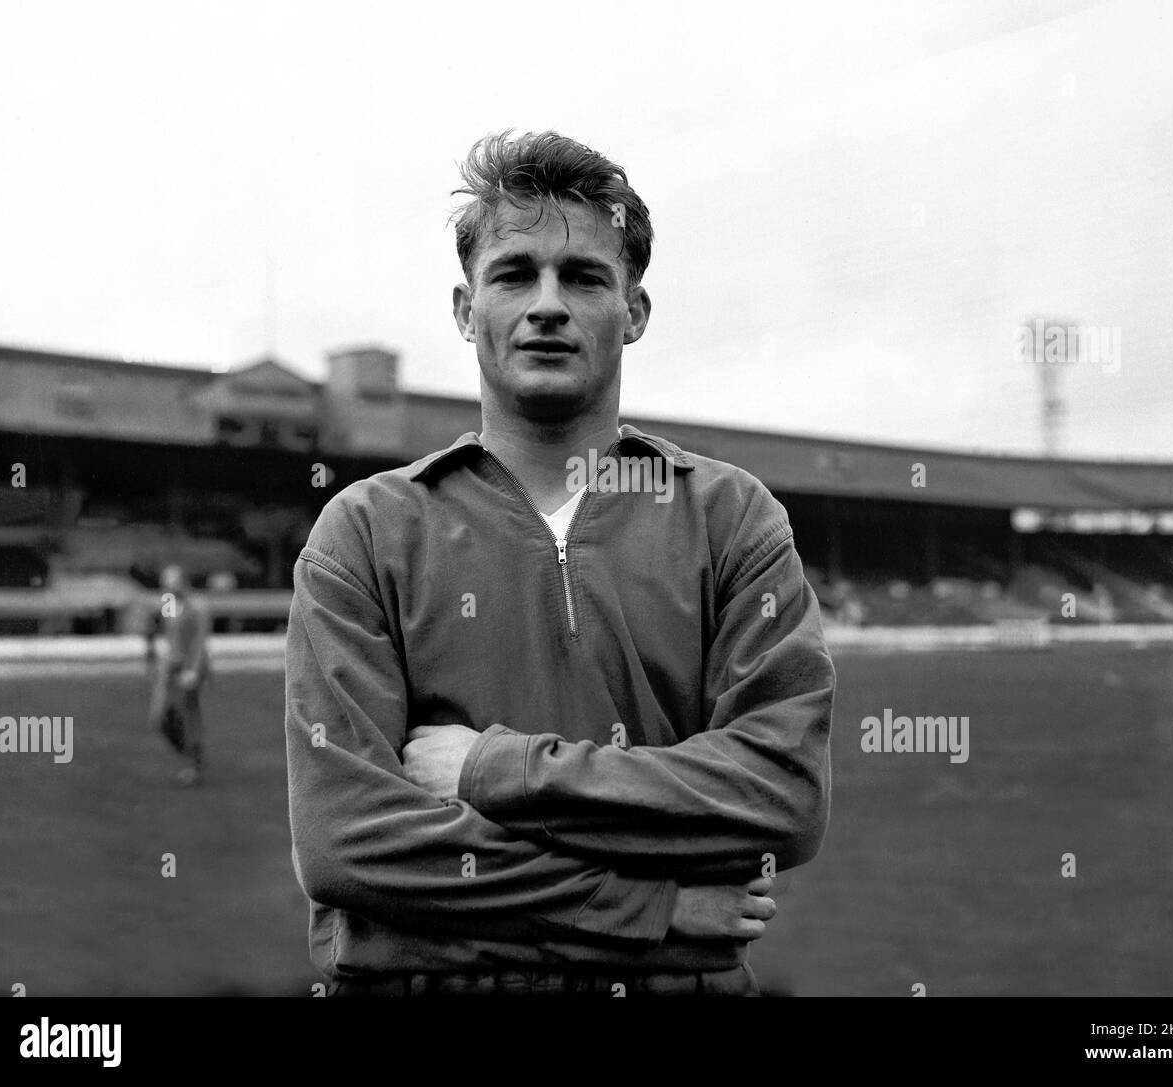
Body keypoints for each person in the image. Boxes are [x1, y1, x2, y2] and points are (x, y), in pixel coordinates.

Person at [285, 130, 836, 996]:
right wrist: (651, 909)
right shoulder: (364, 531)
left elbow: (780, 796)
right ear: (467, 310)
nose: (548, 303)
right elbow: (348, 844)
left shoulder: (731, 519)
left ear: (636, 311)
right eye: (514, 273)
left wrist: (487, 770)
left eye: (583, 276)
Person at [148, 564, 212, 786]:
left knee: (188, 717)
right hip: (170, 669)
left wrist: (193, 671)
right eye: (165, 580)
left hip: (189, 671)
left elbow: (199, 642)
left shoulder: (197, 606)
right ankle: (193, 757)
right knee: (160, 718)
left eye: (172, 580)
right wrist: (159, 661)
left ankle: (194, 764)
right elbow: (166, 634)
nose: (168, 585)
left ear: (183, 581)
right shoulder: (168, 604)